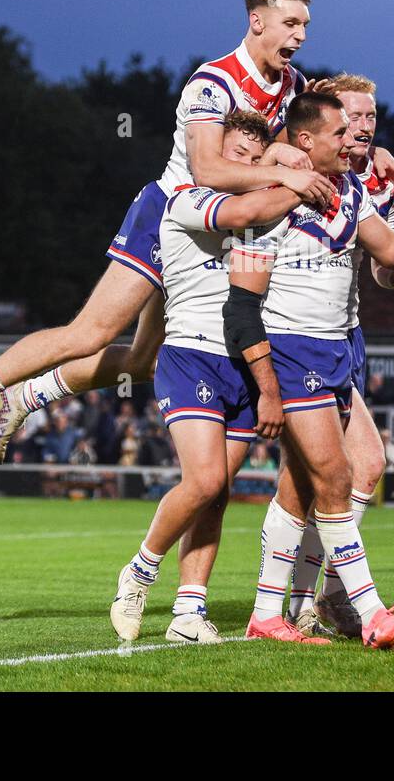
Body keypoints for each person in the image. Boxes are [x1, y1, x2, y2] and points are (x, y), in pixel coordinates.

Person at [0, 0, 394, 472]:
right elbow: (208, 171)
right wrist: (282, 171)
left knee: (142, 362)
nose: (301, 35)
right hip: (172, 217)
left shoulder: (295, 86)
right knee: (91, 332)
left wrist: (375, 150)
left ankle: (29, 396)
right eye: (291, 23)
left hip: (225, 233)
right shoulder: (212, 82)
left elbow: (319, 137)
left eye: (305, 24)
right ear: (257, 21)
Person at [225, 91, 394, 648]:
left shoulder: (348, 191)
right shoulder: (270, 196)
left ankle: (269, 615)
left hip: (335, 351)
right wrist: (266, 382)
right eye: (339, 133)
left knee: (299, 488)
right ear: (304, 141)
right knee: (338, 477)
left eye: (354, 130)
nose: (353, 141)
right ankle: (367, 613)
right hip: (292, 351)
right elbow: (241, 299)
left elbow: (390, 250)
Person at [106, 111, 305, 644]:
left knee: (215, 496)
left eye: (250, 156)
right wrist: (300, 178)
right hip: (191, 355)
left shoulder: (262, 218)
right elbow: (248, 203)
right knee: (204, 481)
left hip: (243, 362)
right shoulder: (190, 199)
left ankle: (188, 614)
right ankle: (140, 572)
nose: (239, 164)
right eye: (232, 153)